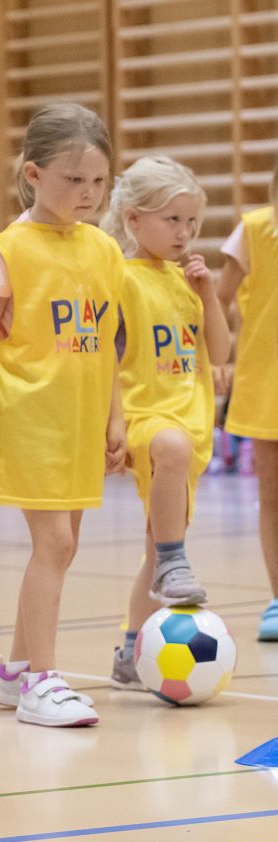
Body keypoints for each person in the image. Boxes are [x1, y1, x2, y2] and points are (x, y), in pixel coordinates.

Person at [0, 102, 127, 727]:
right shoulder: (8, 249)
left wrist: (117, 418)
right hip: (29, 417)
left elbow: (108, 341)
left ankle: (16, 670)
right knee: (52, 541)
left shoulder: (105, 250)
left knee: (67, 543)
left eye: (99, 182)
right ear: (33, 175)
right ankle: (43, 684)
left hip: (81, 419)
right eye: (72, 180)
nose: (88, 193)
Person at [100, 156, 229, 685]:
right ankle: (177, 561)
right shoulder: (122, 277)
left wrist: (209, 294)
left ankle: (130, 653)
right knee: (171, 451)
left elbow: (219, 352)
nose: (184, 232)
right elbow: (104, 352)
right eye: (172, 220)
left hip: (192, 421)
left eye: (191, 222)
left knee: (152, 547)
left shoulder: (186, 280)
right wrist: (110, 425)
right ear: (133, 220)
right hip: (148, 419)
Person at [216, 159, 278, 641]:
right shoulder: (254, 230)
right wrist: (218, 358)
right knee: (272, 496)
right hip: (267, 381)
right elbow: (220, 298)